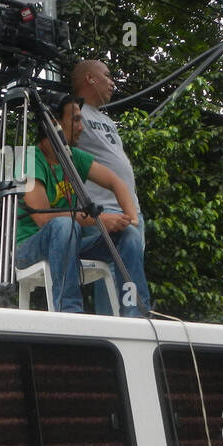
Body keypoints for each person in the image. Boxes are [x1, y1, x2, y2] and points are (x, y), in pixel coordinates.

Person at [16, 95, 150, 317]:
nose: (81, 127)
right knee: (63, 226)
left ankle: (136, 312)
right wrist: (100, 220)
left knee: (128, 235)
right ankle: (70, 312)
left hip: (69, 242)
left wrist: (132, 219)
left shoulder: (74, 157)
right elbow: (43, 219)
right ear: (54, 123)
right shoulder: (30, 159)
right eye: (76, 120)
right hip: (31, 247)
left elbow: (115, 181)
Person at [70, 60, 143, 316]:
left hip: (128, 208)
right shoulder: (74, 112)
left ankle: (135, 320)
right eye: (108, 76)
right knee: (110, 275)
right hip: (105, 211)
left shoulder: (105, 119)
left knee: (129, 273)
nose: (113, 83)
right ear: (90, 79)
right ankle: (116, 331)